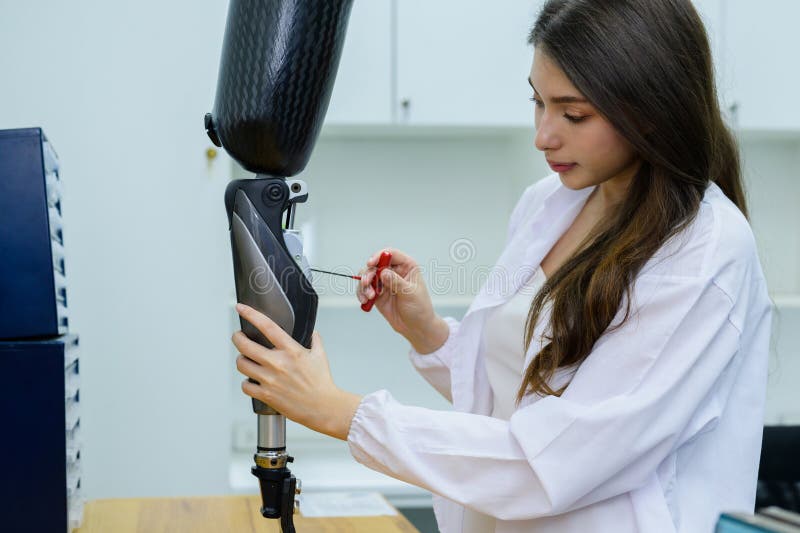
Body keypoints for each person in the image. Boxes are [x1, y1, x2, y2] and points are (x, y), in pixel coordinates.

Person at [231, 0, 773, 531]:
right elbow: (516, 392)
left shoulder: (704, 253)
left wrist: (340, 412)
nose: (544, 135)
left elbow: (552, 461)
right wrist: (432, 334)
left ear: (654, 110)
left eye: (574, 113)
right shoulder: (551, 202)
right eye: (539, 103)